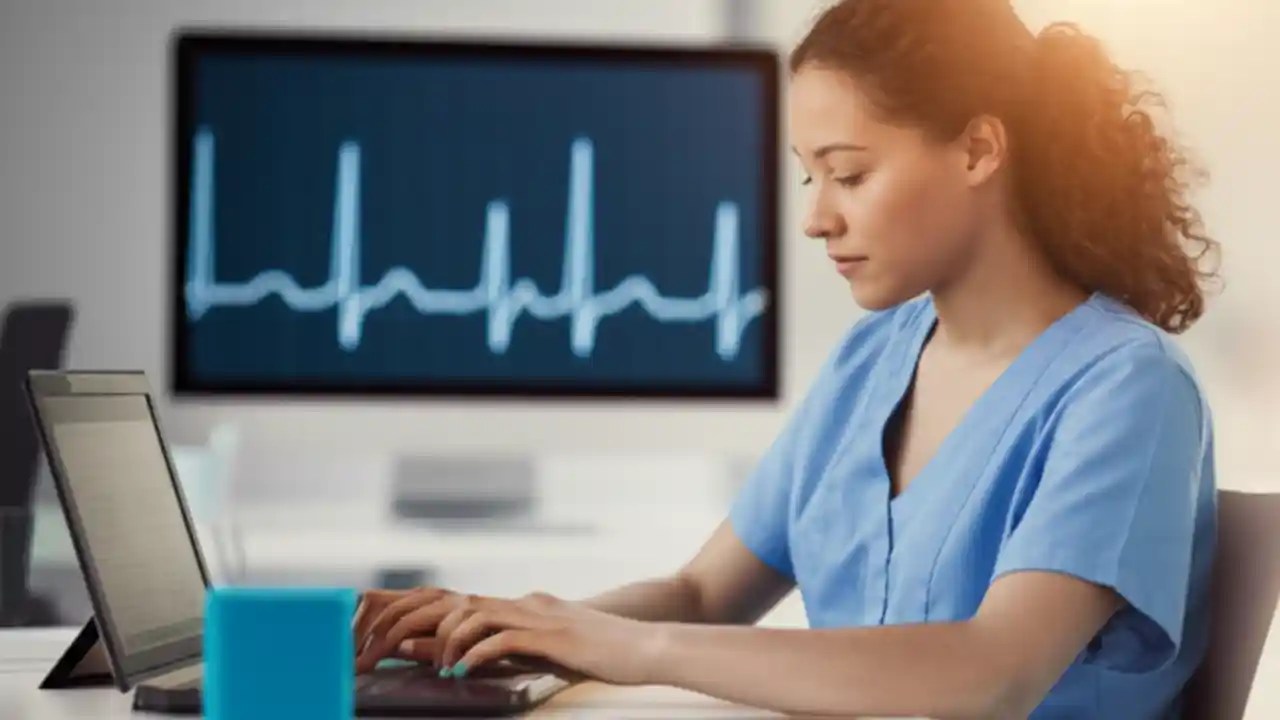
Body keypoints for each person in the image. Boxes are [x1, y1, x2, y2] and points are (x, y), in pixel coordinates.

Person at [352, 0, 1220, 716]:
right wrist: (516, 629)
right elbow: (702, 596)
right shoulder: (874, 357)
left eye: (851, 174)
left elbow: (991, 675)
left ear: (979, 150)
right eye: (811, 177)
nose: (816, 219)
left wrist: (633, 649)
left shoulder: (1127, 389)